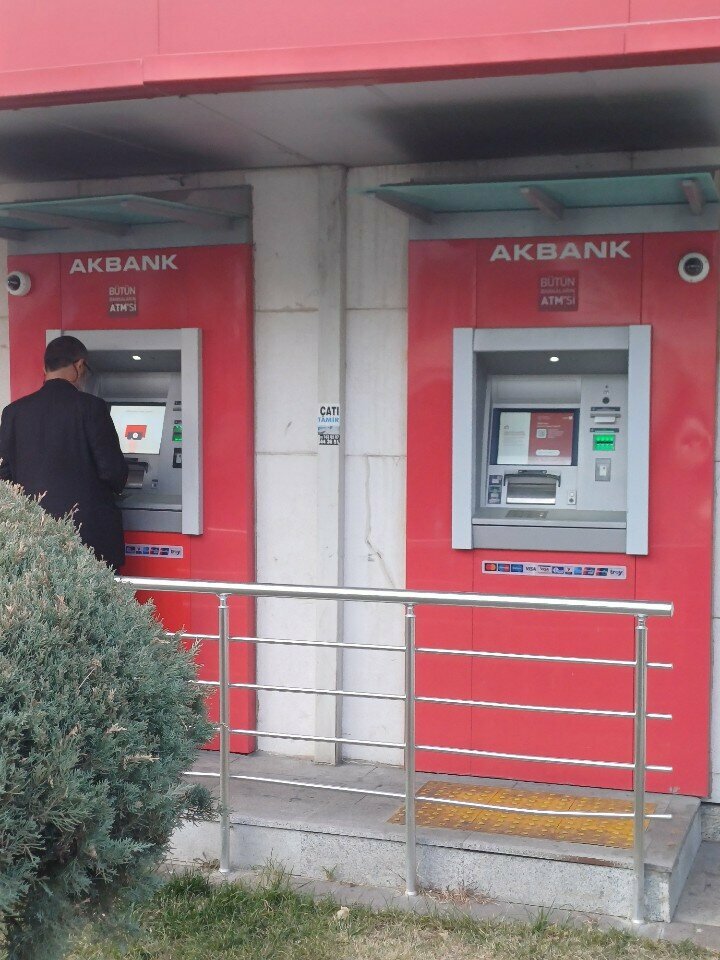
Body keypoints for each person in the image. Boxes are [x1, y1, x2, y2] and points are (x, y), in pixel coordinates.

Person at [0, 335, 129, 570]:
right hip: (88, 536)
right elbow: (113, 472)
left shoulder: (13, 412)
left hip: (34, 534)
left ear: (45, 368)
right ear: (79, 365)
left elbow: (5, 474)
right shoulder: (92, 407)